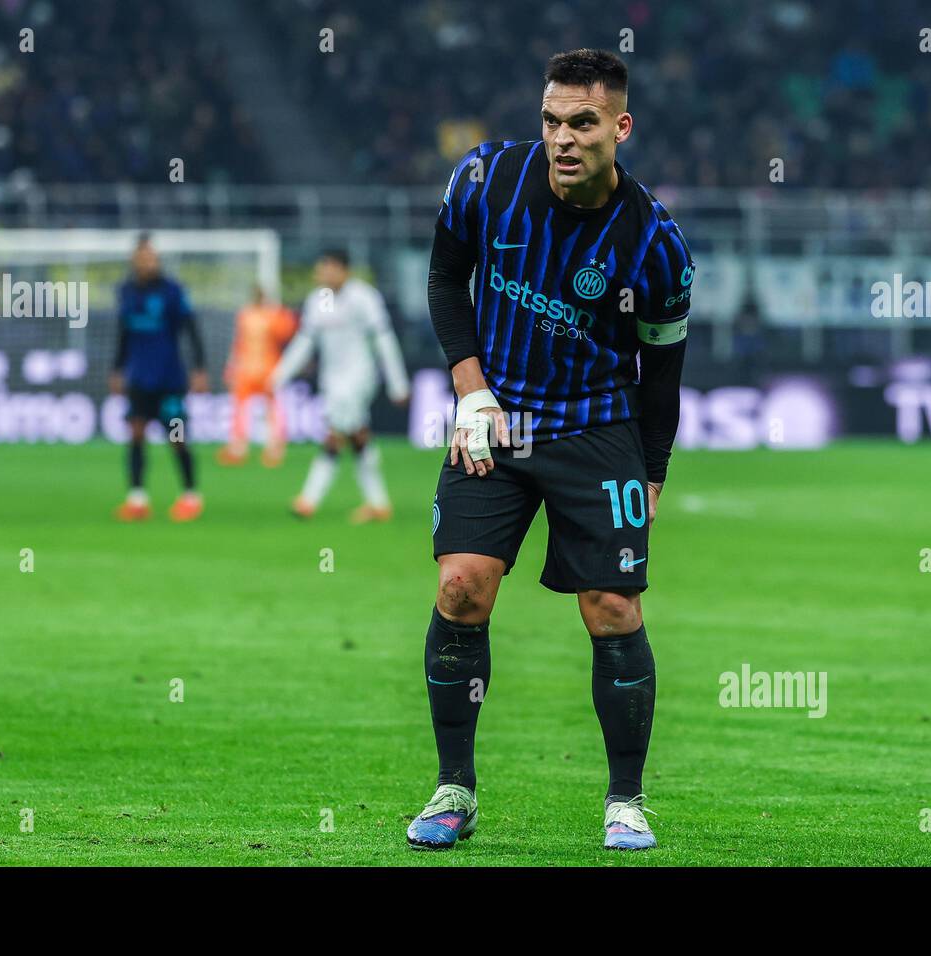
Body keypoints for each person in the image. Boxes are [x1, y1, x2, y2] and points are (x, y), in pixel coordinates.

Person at [408, 49, 694, 851]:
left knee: (613, 608)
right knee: (461, 587)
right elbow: (444, 281)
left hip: (597, 427)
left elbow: (662, 375)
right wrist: (471, 392)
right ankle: (454, 787)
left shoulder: (656, 246)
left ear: (620, 128)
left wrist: (655, 472)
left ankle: (626, 800)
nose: (562, 138)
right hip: (498, 419)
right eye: (551, 120)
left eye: (582, 123)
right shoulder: (485, 181)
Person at [271, 251, 410, 523]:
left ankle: (308, 500)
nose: (320, 275)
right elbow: (304, 342)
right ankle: (378, 504)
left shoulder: (364, 298)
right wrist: (279, 375)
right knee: (358, 437)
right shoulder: (317, 301)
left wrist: (398, 382)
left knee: (334, 435)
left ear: (343, 270)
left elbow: (384, 340)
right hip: (332, 381)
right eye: (319, 270)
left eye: (326, 269)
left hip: (359, 378)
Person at [109, 234, 208, 522]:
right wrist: (117, 368)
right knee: (136, 433)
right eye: (142, 257)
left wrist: (199, 368)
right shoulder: (126, 291)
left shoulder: (173, 291)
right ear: (134, 260)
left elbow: (191, 329)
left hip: (169, 378)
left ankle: (191, 495)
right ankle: (137, 498)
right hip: (139, 377)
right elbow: (123, 333)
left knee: (176, 437)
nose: (147, 262)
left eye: (152, 257)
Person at [218, 283, 297, 467]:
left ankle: (274, 447)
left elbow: (287, 331)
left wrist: (280, 313)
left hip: (268, 368)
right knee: (240, 409)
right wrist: (231, 367)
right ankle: (238, 447)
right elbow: (239, 344)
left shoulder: (273, 314)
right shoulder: (245, 314)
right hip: (246, 369)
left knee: (273, 410)